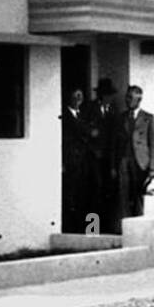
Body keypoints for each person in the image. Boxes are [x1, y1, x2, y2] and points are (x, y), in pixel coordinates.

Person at [81, 78, 121, 232]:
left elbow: (114, 137)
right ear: (101, 95)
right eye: (106, 95)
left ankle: (106, 228)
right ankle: (92, 228)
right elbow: (82, 129)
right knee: (94, 191)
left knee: (107, 191)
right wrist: (91, 136)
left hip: (108, 159)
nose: (109, 98)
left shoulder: (113, 110)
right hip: (92, 158)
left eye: (110, 95)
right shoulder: (89, 108)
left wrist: (113, 163)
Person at [114, 84, 154, 220]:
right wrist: (113, 165)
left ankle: (138, 226)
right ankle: (126, 226)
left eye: (130, 98)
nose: (127, 100)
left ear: (139, 100)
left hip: (140, 163)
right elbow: (115, 144)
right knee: (123, 196)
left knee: (138, 196)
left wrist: (152, 168)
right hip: (123, 162)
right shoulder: (121, 117)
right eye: (126, 97)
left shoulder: (148, 118)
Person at [60, 87, 89, 233]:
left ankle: (86, 229)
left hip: (83, 161)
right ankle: (70, 229)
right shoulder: (64, 116)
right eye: (75, 95)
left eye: (80, 96)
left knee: (82, 194)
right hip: (70, 161)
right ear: (69, 97)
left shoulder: (83, 115)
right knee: (70, 194)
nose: (78, 99)